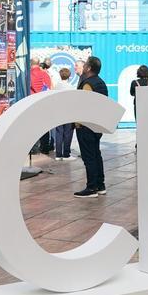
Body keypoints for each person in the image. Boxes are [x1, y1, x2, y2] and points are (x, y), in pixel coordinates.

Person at [74, 56, 108, 197]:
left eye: (85, 65)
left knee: (89, 157)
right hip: (97, 124)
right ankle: (100, 185)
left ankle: (91, 187)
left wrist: (78, 123)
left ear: (88, 68)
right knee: (96, 154)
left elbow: (83, 104)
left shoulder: (87, 84)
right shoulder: (101, 82)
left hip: (86, 125)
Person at [51, 67, 76, 160]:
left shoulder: (56, 86)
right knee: (68, 133)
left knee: (58, 133)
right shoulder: (71, 87)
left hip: (58, 112)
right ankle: (66, 154)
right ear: (69, 76)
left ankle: (58, 155)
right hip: (68, 112)